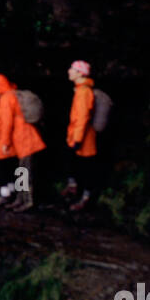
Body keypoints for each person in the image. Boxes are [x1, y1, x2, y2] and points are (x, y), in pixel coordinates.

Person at [0, 73, 45, 212]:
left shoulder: (7, 98)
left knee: (24, 172)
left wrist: (5, 142)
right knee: (22, 171)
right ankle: (20, 199)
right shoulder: (12, 94)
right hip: (23, 139)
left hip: (25, 139)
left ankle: (27, 202)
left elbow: (7, 122)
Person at [64, 59, 98, 212]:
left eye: (72, 69)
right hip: (78, 136)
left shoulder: (84, 92)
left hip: (84, 138)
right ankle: (79, 195)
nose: (69, 71)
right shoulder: (80, 90)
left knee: (86, 169)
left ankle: (85, 199)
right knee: (79, 167)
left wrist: (77, 139)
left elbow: (82, 117)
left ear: (80, 73)